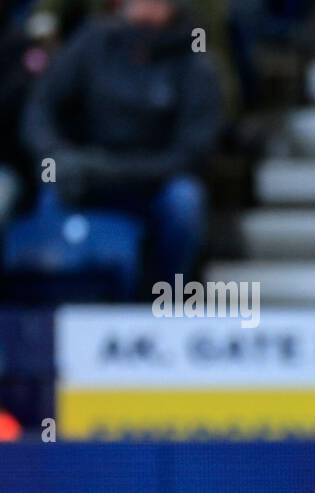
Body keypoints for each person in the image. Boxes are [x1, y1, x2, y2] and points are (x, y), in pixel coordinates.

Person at [21, 0, 223, 283]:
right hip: (86, 172)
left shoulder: (196, 62)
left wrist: (107, 169)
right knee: (53, 178)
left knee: (184, 200)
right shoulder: (94, 41)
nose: (145, 7)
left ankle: (163, 292)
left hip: (153, 183)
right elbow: (40, 108)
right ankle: (50, 293)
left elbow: (191, 155)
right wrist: (54, 154)